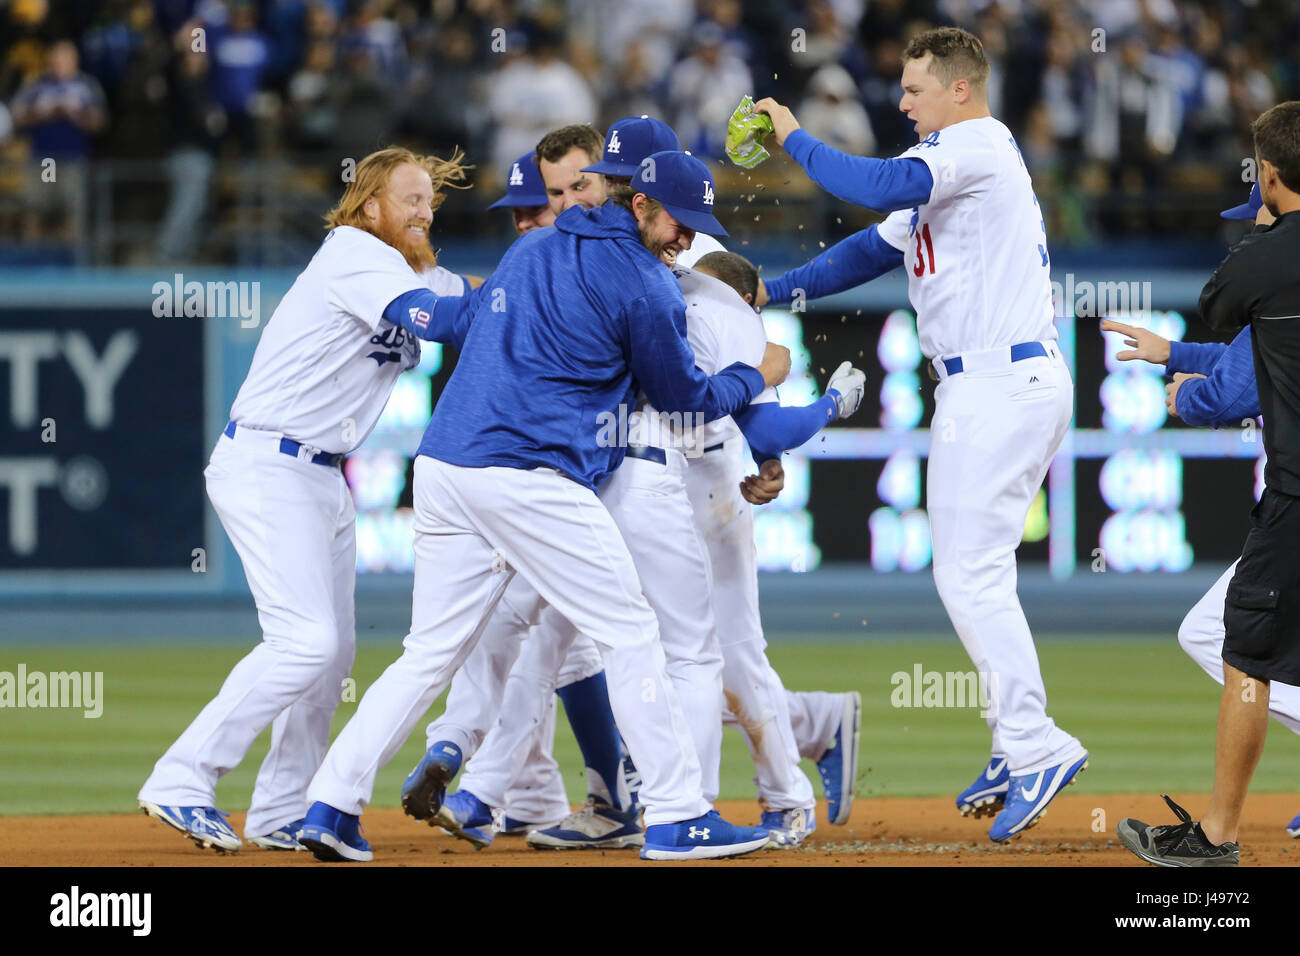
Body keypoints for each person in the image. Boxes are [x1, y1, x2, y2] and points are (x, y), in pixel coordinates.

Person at [300, 150, 793, 863]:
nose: (687, 239)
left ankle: (332, 805)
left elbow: (468, 324)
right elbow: (687, 402)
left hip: (444, 466)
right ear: (640, 205)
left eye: (697, 227)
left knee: (429, 653)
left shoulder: (533, 248)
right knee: (629, 631)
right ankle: (679, 815)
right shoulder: (648, 286)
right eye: (680, 222)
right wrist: (751, 374)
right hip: (530, 472)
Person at [753, 25, 1088, 842]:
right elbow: (861, 253)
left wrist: (793, 134)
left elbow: (872, 184)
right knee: (980, 574)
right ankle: (1019, 743)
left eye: (914, 89)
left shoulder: (977, 143)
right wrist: (762, 292)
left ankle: (1037, 743)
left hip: (999, 383)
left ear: (961, 90)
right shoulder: (950, 176)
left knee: (969, 576)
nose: (901, 103)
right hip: (999, 385)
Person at [137, 147, 472, 852]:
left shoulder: (421, 270)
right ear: (370, 206)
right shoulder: (351, 252)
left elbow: (474, 298)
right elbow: (442, 322)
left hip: (325, 475)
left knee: (336, 653)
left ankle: (282, 807)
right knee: (305, 641)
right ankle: (181, 777)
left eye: (429, 199)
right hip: (269, 459)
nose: (424, 211)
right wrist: (490, 304)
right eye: (409, 199)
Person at [1117, 101, 1300, 866]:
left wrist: (1184, 390)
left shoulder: (1271, 255)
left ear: (1270, 176)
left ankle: (1217, 841)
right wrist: (1175, 355)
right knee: (1227, 638)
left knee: (1243, 657)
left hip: (1296, 500)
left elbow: (1232, 351)